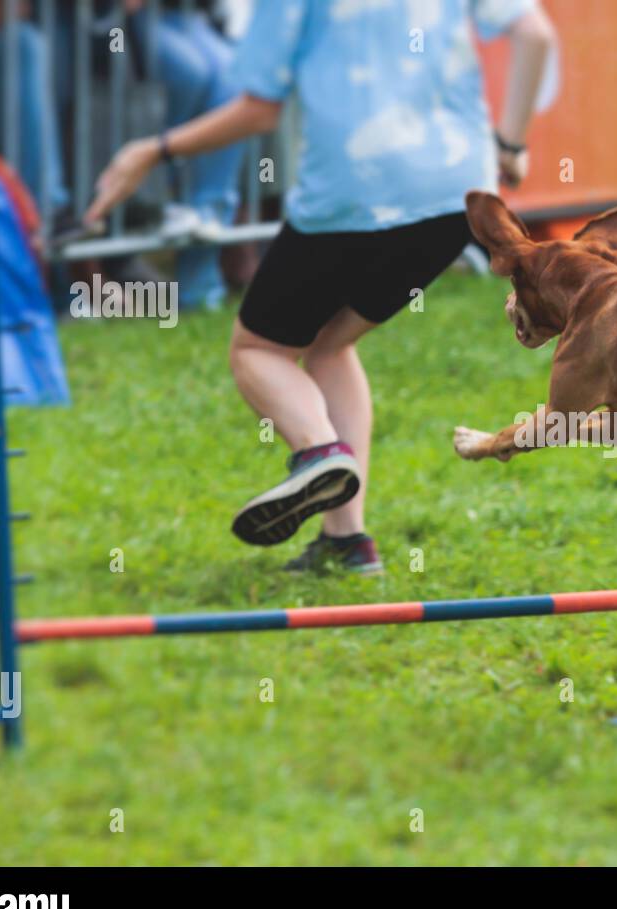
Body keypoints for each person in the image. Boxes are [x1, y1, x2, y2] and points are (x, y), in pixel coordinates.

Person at [83, 0, 556, 574]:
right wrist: (509, 143)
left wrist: (152, 152)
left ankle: (318, 450)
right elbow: (534, 35)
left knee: (257, 349)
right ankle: (347, 543)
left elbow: (259, 111)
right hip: (458, 195)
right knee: (331, 345)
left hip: (350, 193)